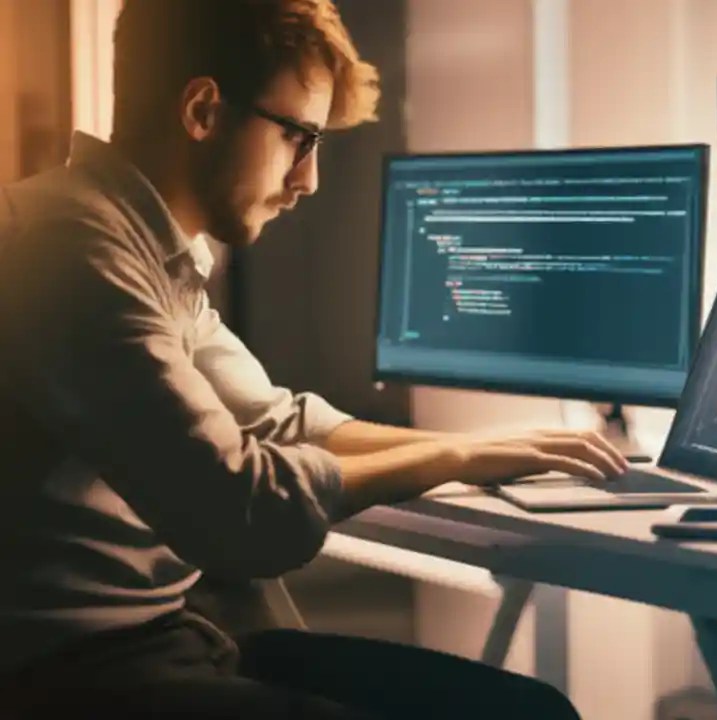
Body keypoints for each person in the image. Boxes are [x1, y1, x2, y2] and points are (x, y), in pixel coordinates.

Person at [0, 1, 626, 717]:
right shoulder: (73, 253)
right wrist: (450, 461)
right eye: (300, 137)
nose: (310, 180)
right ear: (203, 110)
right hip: (68, 679)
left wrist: (471, 444)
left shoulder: (137, 245)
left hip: (155, 643)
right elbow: (238, 508)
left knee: (523, 708)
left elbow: (278, 422)